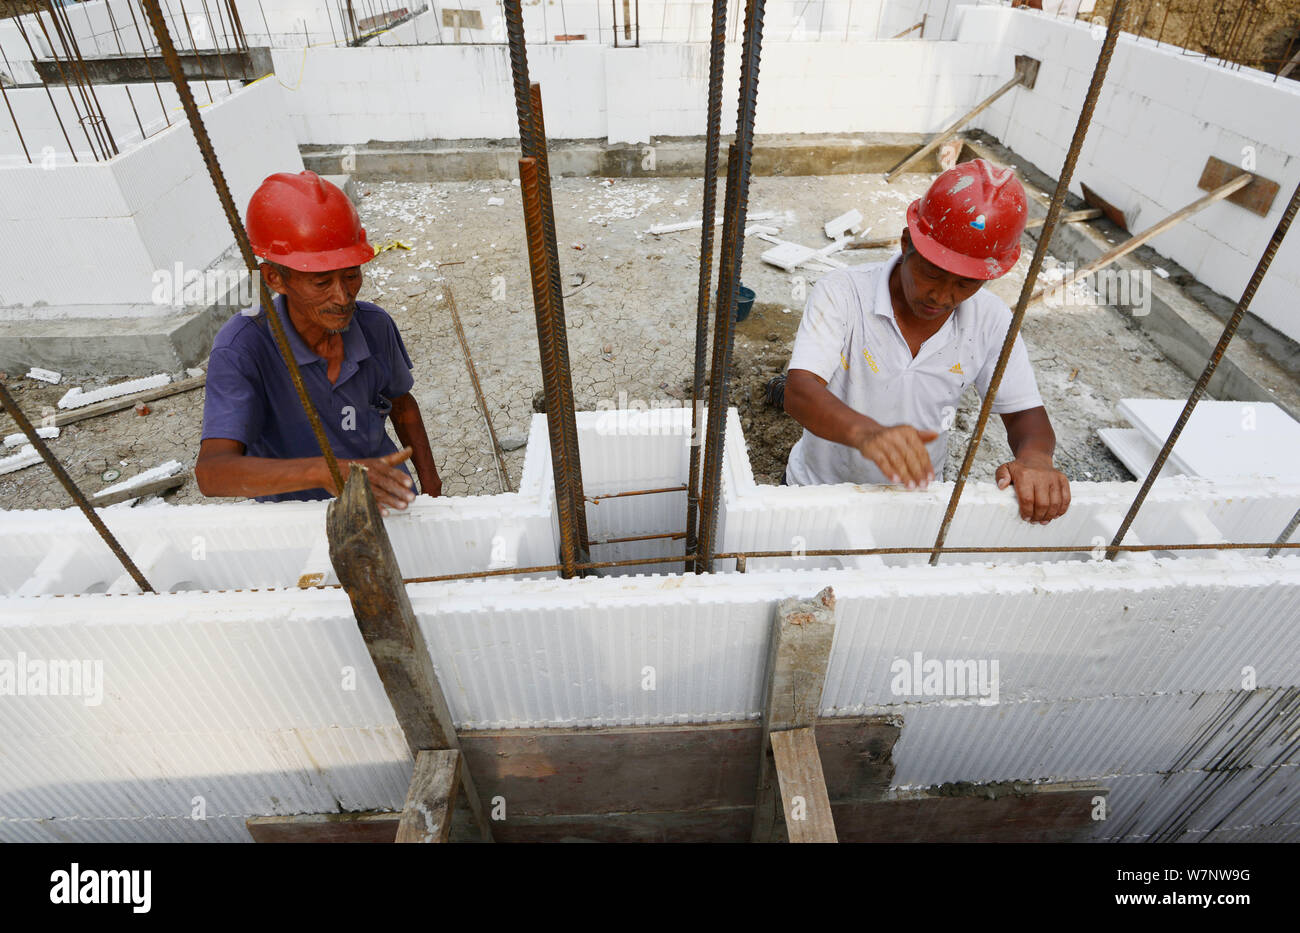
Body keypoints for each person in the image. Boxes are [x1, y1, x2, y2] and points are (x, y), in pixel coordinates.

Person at [780, 158, 1070, 524]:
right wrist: (867, 434)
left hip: (915, 504)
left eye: (966, 283)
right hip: (817, 492)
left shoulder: (990, 318)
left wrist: (1036, 459)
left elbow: (1024, 413)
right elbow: (800, 390)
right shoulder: (843, 293)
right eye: (931, 273)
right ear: (906, 244)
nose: (942, 296)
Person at [195, 171, 441, 513]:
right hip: (299, 519)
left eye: (351, 274)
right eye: (322, 282)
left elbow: (402, 405)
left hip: (387, 499)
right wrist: (325, 472)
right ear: (275, 278)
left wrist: (431, 486)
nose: (343, 297)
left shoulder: (374, 325)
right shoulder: (242, 347)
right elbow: (212, 474)